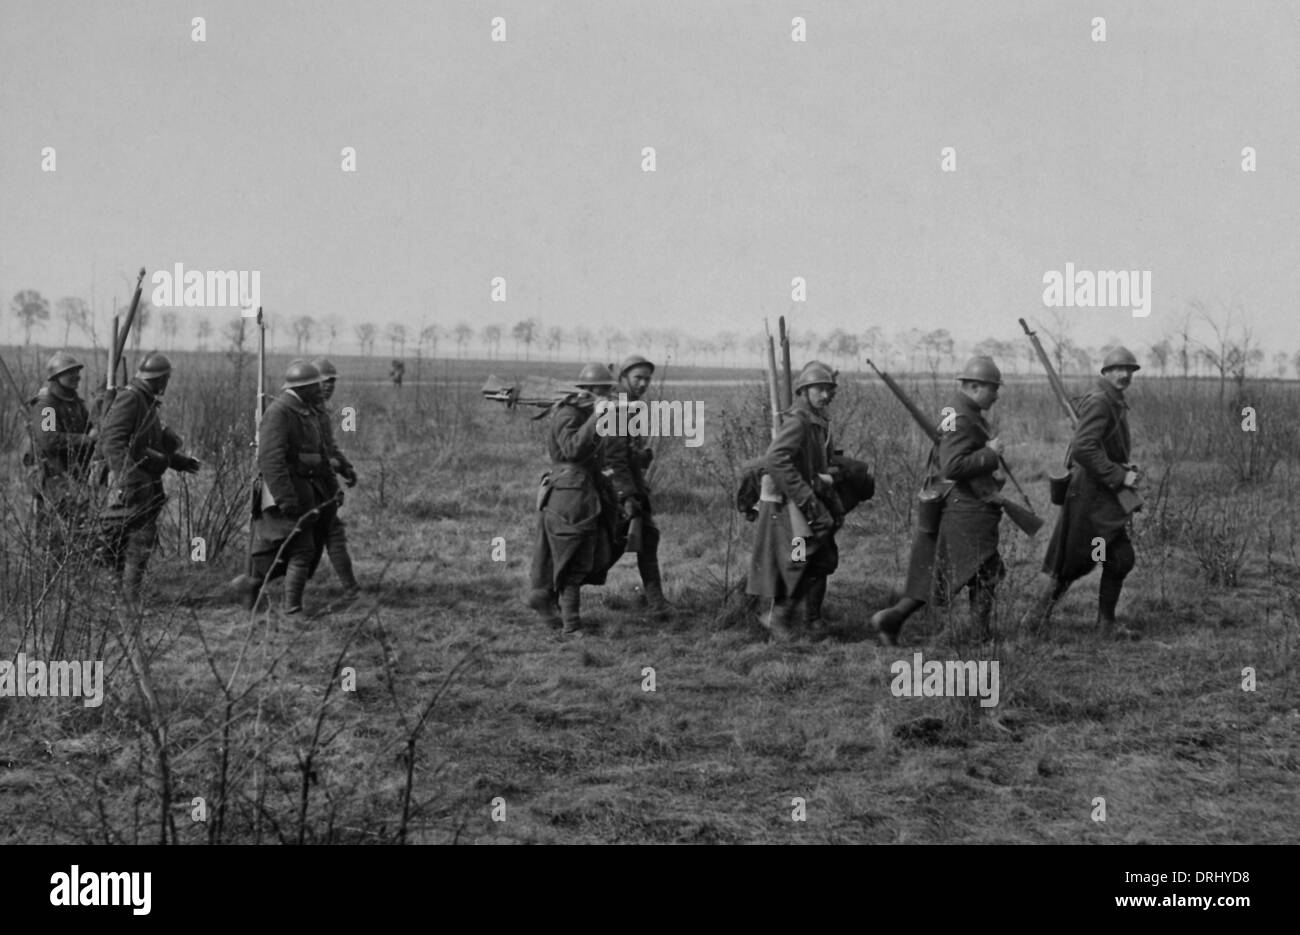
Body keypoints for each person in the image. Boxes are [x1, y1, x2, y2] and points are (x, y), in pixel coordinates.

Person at [871, 356, 1009, 645]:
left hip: (957, 503)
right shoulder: (961, 417)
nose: (996, 394)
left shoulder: (957, 410)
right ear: (974, 386)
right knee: (984, 568)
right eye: (993, 388)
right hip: (965, 506)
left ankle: (892, 619)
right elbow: (953, 466)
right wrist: (991, 454)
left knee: (945, 572)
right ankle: (979, 637)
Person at [1021, 347, 1143, 639]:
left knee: (1116, 557)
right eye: (1118, 369)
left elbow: (1096, 446)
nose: (1125, 374)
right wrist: (1119, 474)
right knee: (1073, 561)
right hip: (1090, 496)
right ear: (1105, 372)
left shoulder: (1113, 401)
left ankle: (1104, 626)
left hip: (1103, 495)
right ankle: (1033, 621)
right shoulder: (1101, 402)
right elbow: (1083, 448)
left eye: (1129, 369)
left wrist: (1121, 470)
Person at [746, 360, 843, 642]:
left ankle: (798, 619)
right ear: (804, 391)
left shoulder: (815, 421)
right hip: (791, 507)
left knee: (816, 558)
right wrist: (805, 494)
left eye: (828, 390)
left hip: (804, 504)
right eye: (819, 390)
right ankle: (779, 618)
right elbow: (776, 459)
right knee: (801, 559)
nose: (825, 396)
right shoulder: (799, 421)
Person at [526, 362, 622, 635]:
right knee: (573, 557)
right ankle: (571, 626)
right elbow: (572, 449)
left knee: (582, 553)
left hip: (582, 490)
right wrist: (597, 418)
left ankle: (548, 603)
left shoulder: (585, 411)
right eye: (603, 390)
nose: (608, 396)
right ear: (588, 389)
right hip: (570, 494)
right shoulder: (568, 413)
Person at [97, 352, 201, 601]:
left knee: (130, 540)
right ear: (161, 379)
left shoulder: (145, 401)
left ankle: (123, 597)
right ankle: (125, 598)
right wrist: (127, 477)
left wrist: (180, 462)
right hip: (131, 484)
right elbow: (112, 440)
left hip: (144, 484)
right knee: (131, 539)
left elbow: (148, 444)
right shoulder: (131, 398)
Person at [242, 360, 337, 614]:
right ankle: (279, 606)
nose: (321, 391)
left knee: (299, 549)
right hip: (282, 495)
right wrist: (287, 500)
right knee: (284, 550)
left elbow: (321, 453)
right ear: (303, 388)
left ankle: (268, 597)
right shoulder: (280, 412)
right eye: (316, 386)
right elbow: (270, 460)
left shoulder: (305, 411)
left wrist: (332, 486)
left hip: (304, 493)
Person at [604, 354, 672, 619]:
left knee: (643, 538)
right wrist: (628, 495)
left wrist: (639, 457)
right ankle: (555, 594)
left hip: (626, 484)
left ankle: (657, 604)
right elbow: (612, 458)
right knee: (611, 545)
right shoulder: (619, 407)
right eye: (637, 378)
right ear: (623, 378)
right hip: (616, 487)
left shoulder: (629, 405)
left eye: (647, 379)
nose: (643, 383)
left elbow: (622, 452)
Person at [25, 351, 95, 532]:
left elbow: (90, 428)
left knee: (78, 525)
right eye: (70, 373)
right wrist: (86, 439)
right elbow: (49, 440)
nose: (76, 377)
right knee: (54, 531)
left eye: (77, 372)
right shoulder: (46, 404)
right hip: (51, 475)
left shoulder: (76, 403)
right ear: (56, 377)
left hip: (73, 473)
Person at [311, 357, 361, 599]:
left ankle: (351, 589)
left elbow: (329, 446)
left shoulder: (321, 412)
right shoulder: (305, 411)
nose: (329, 386)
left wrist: (345, 467)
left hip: (318, 483)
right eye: (324, 382)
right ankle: (251, 582)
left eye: (332, 382)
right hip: (304, 485)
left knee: (330, 533)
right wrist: (331, 464)